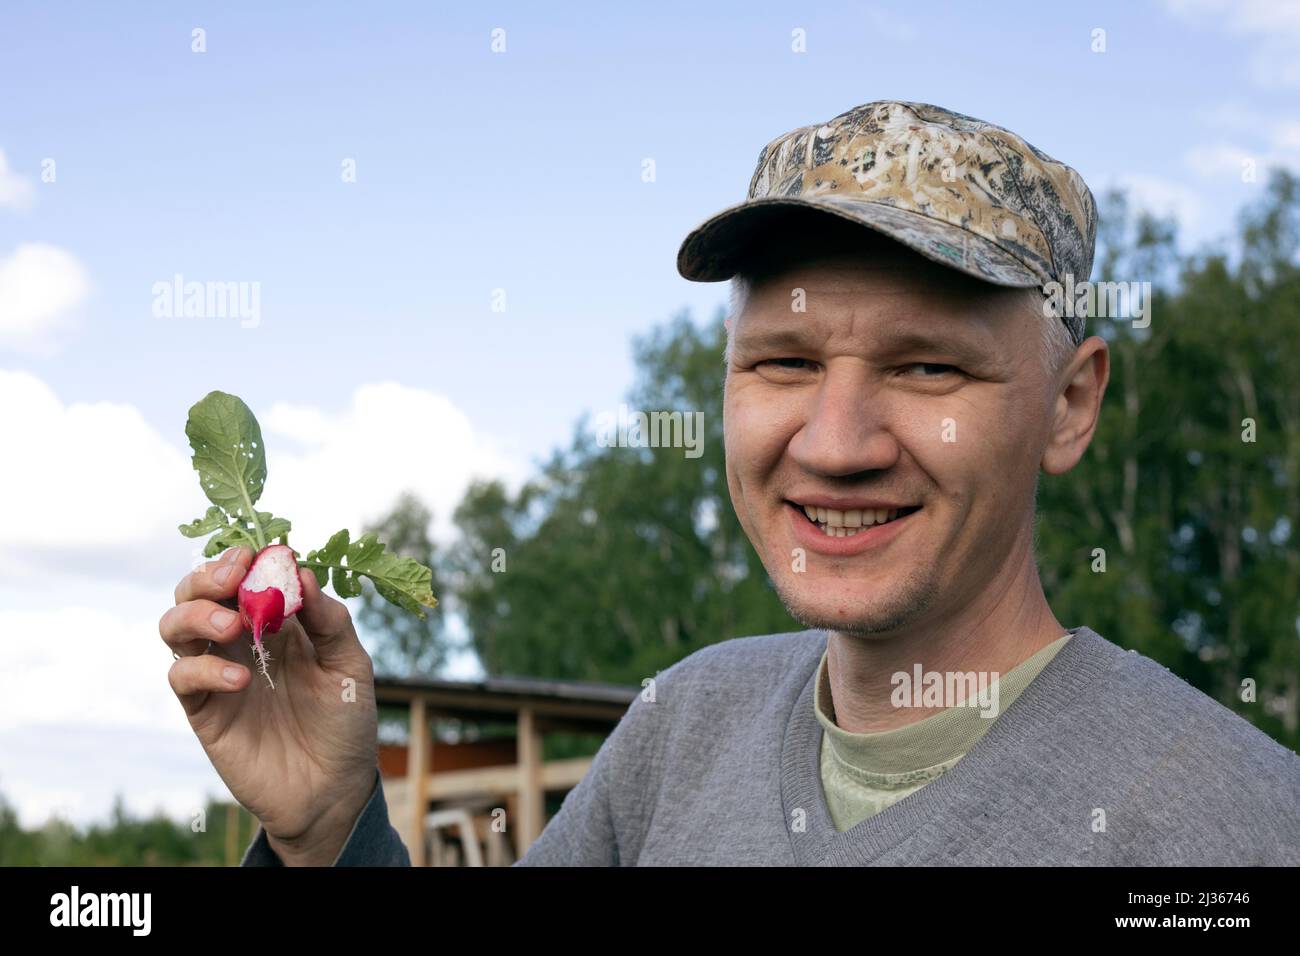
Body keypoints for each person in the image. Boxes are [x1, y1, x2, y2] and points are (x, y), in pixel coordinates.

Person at [160, 101, 1300, 866]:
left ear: (1069, 402)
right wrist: (331, 827)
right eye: (784, 363)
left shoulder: (1224, 823)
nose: (835, 440)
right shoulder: (678, 732)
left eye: (926, 366)